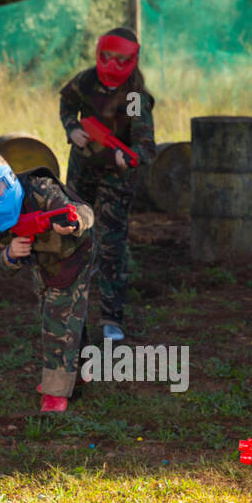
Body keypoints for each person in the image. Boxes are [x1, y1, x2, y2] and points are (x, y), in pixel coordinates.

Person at [0, 151, 96, 412]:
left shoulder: (41, 189)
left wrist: (72, 223)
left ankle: (55, 392)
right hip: (43, 264)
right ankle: (82, 368)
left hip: (74, 256)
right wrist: (10, 254)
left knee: (56, 319)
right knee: (62, 314)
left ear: (10, 180)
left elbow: (84, 212)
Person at [59, 26, 155, 342]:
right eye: (107, 57)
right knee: (74, 236)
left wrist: (129, 157)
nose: (112, 66)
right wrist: (72, 128)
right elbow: (67, 104)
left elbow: (145, 144)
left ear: (132, 60)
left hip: (117, 180)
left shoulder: (134, 97)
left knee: (111, 245)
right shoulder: (84, 81)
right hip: (82, 171)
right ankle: (72, 308)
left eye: (121, 59)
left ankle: (112, 319)